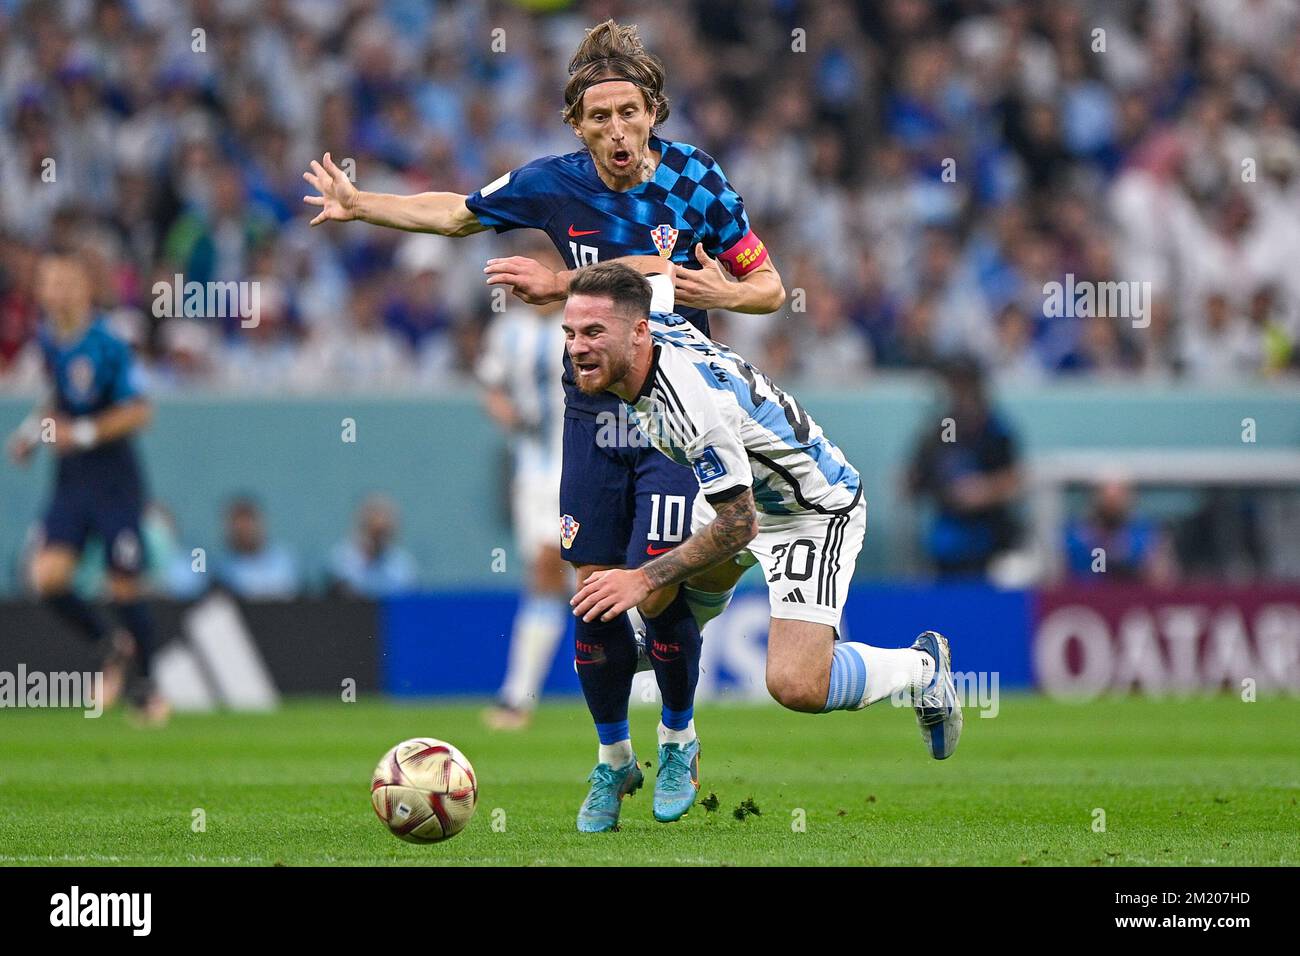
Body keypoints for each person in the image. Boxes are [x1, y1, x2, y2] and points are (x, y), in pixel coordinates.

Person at [302, 19, 786, 825]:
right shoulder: (553, 184)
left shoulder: (697, 181)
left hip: (678, 412)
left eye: (629, 112)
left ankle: (677, 740)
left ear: (653, 110)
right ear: (577, 124)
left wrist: (708, 291)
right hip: (593, 411)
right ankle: (612, 763)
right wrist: (361, 206)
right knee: (595, 594)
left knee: (658, 590)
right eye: (598, 118)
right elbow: (456, 213)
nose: (616, 130)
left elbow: (767, 287)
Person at [565, 261, 963, 832]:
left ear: (636, 334)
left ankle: (924, 666)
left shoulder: (689, 409)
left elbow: (739, 526)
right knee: (658, 604)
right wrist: (562, 283)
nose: (578, 348)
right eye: (571, 333)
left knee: (795, 685)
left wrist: (642, 578)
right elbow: (648, 270)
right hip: (740, 491)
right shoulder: (647, 320)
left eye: (593, 334)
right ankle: (677, 740)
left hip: (809, 511)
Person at [4, 248, 168, 724]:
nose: (55, 291)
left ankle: (145, 686)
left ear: (84, 288)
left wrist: (84, 433)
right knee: (48, 578)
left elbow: (141, 410)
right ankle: (109, 644)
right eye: (48, 283)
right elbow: (55, 398)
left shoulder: (109, 344)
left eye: (65, 282)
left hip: (114, 480)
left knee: (124, 588)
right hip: (72, 481)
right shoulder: (50, 339)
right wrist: (30, 435)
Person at [477, 242, 571, 731]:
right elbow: (490, 387)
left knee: (585, 574)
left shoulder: (582, 323)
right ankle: (519, 695)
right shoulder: (507, 332)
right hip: (534, 471)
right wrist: (505, 412)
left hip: (584, 467)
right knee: (546, 570)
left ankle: (519, 696)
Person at [906, 357, 1022, 576]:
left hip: (989, 537)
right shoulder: (938, 430)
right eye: (955, 385)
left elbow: (1015, 478)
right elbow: (918, 475)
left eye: (965, 384)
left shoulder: (995, 429)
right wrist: (910, 481)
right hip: (946, 539)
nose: (960, 393)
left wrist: (985, 490)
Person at [327, 494, 419, 598]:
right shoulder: (340, 559)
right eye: (375, 531)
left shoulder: (403, 564)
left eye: (384, 532)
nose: (379, 538)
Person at [215, 496, 300, 598]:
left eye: (248, 526)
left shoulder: (285, 560)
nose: (244, 533)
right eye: (239, 529)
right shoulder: (222, 570)